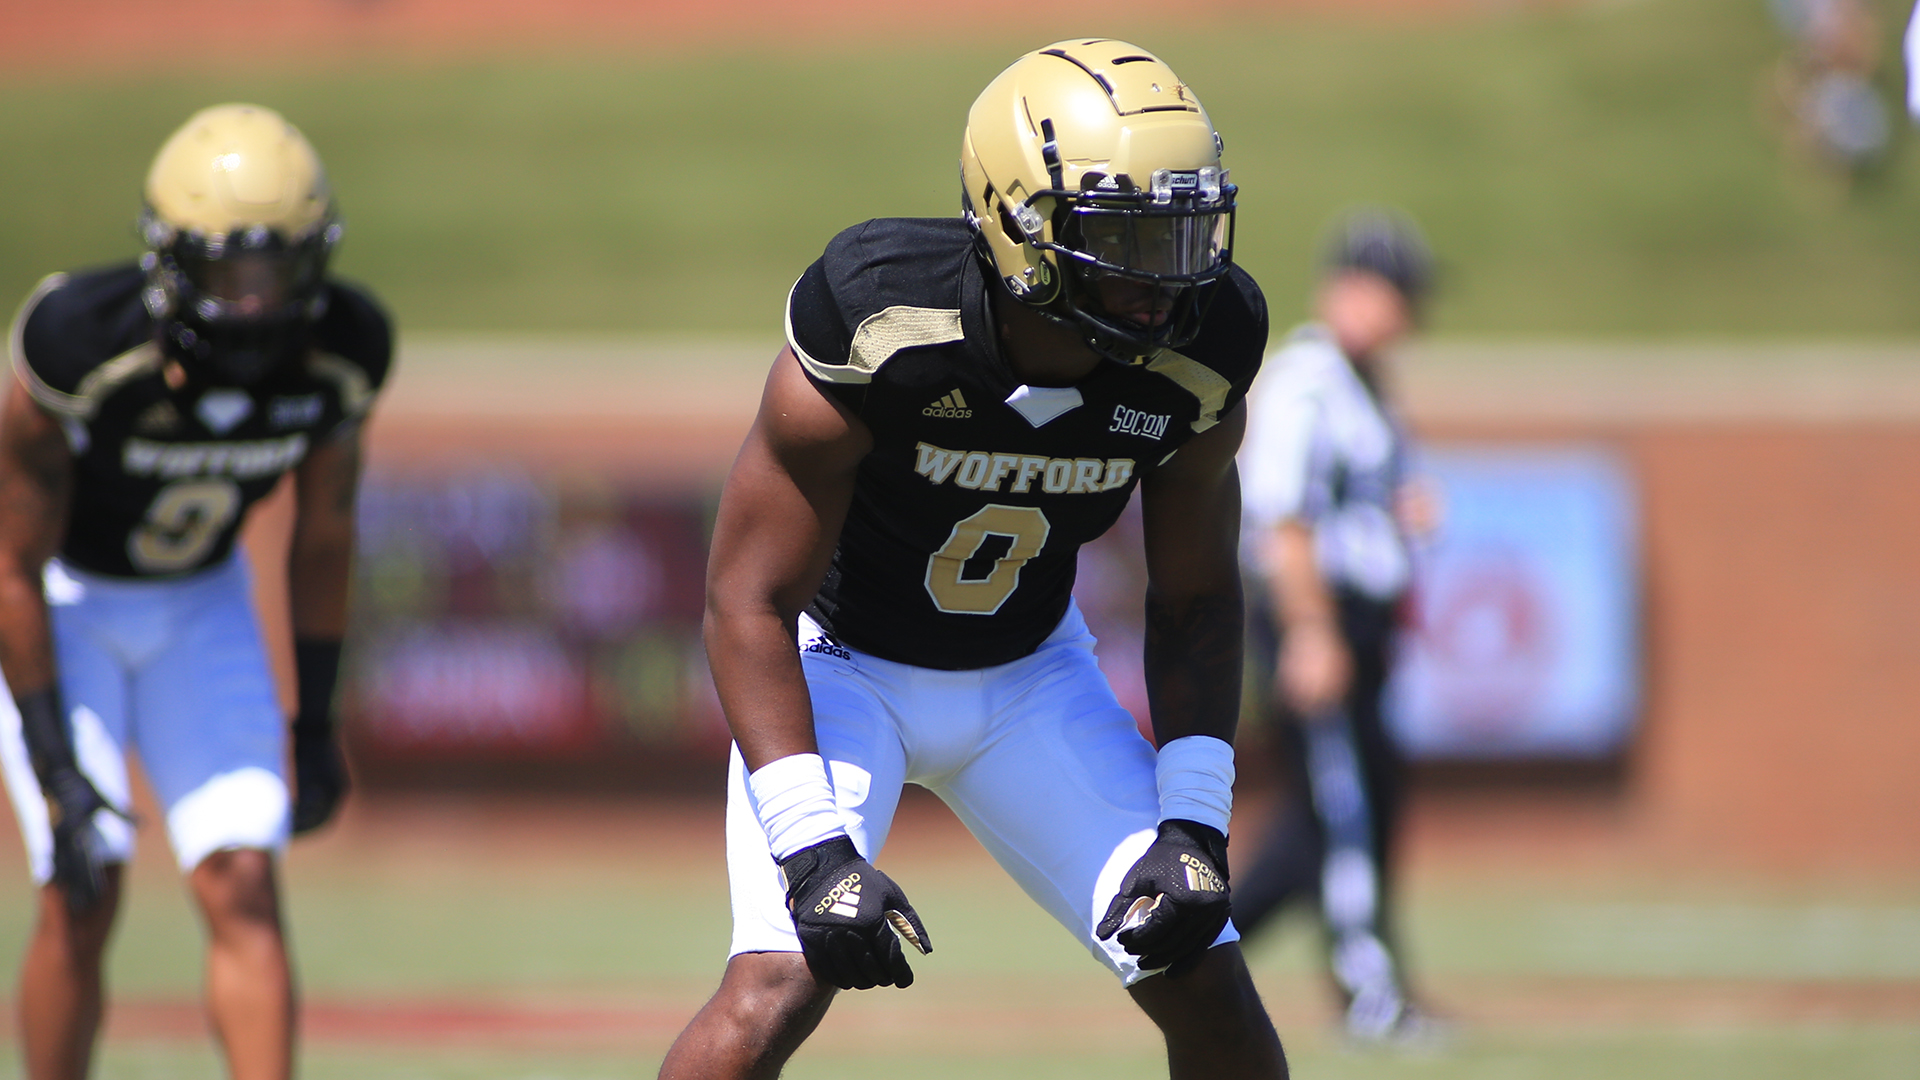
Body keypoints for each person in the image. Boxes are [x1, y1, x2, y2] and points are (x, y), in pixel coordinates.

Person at [658, 40, 1289, 1080]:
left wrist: (1197, 825)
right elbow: (746, 598)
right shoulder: (882, 318)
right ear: (1020, 225)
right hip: (842, 664)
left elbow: (1197, 597)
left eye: (1182, 232)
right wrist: (814, 851)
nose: (1166, 280)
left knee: (1209, 983)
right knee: (781, 982)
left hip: (1032, 676)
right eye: (1129, 235)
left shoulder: (1202, 350)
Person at [0, 103, 391, 1080]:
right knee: (80, 890)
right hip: (64, 602)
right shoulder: (79, 346)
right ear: (171, 264)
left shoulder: (342, 354)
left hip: (198, 601)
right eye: (228, 274)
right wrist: (54, 765)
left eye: (279, 272)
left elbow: (323, 535)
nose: (254, 304)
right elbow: (8, 562)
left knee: (243, 881)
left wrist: (314, 722)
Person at [1230, 209, 1440, 1045]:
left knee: (1333, 815)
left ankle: (1201, 948)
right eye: (1398, 291)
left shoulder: (1365, 385)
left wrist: (1405, 512)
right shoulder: (1309, 381)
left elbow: (1362, 498)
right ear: (1350, 290)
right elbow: (1284, 519)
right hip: (1318, 620)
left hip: (1364, 623)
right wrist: (1313, 632)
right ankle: (1371, 994)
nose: (1409, 312)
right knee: (1345, 809)